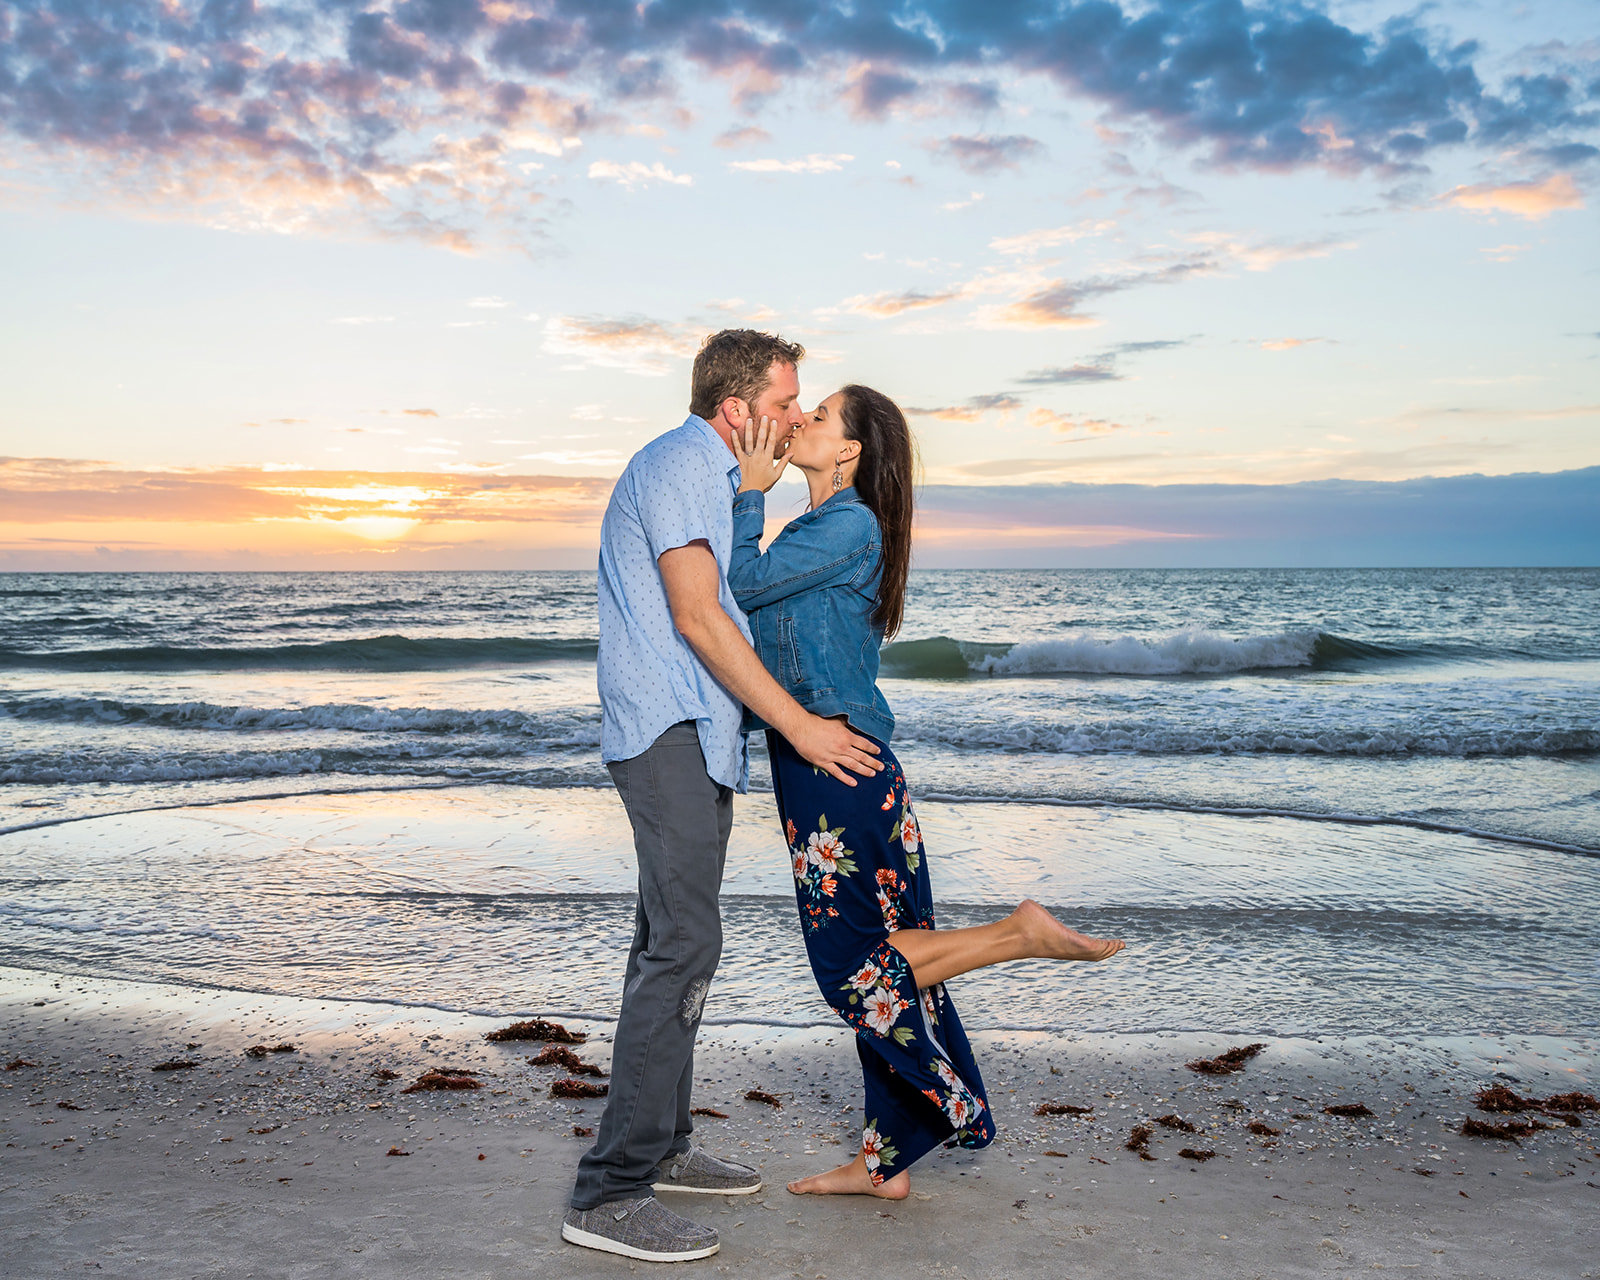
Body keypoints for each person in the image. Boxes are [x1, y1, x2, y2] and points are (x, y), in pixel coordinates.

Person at [728, 385, 1125, 1198]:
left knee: (854, 969)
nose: (800, 419)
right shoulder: (825, 526)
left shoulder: (847, 523)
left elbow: (739, 584)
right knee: (893, 965)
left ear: (850, 453)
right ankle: (886, 1167)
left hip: (831, 767)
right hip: (841, 765)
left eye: (821, 416)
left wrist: (746, 492)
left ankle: (1019, 934)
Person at [563, 331, 885, 1264]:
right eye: (787, 403)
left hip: (701, 736)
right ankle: (609, 1192)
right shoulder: (674, 464)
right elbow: (700, 611)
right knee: (685, 944)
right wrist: (800, 726)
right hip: (664, 729)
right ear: (739, 409)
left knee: (665, 939)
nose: (795, 419)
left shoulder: (719, 481)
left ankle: (662, 1150)